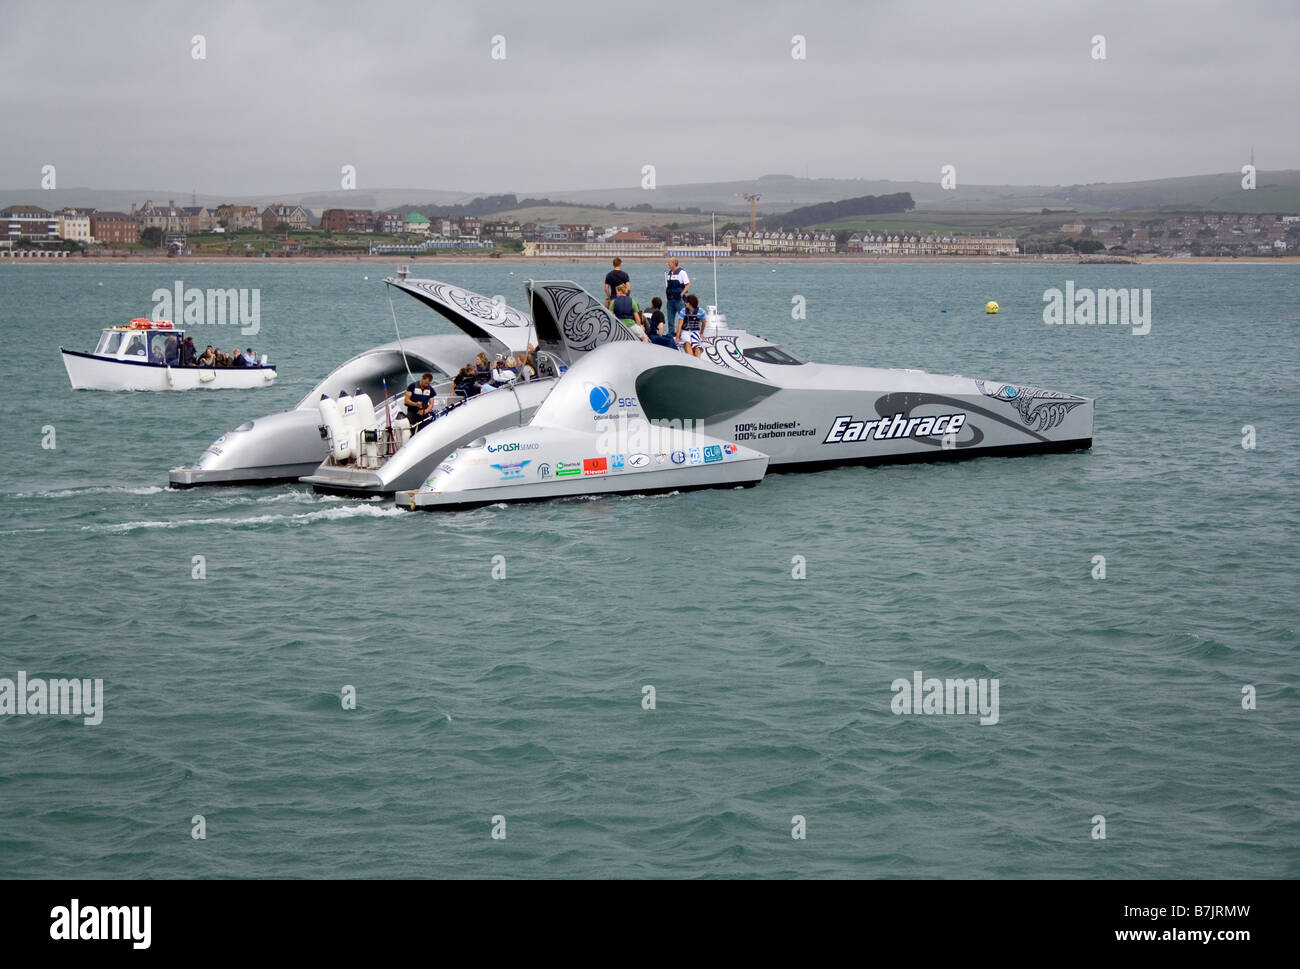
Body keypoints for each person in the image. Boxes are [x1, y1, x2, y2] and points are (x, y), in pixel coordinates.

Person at [675, 293, 707, 357]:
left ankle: (696, 360)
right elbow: (680, 325)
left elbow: (704, 323)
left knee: (696, 346)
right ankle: (691, 358)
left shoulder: (701, 311)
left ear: (689, 303)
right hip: (685, 331)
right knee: (687, 343)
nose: (685, 303)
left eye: (686, 302)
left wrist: (701, 333)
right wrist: (677, 337)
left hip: (695, 331)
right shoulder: (683, 311)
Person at [664, 258, 690, 330]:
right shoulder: (669, 273)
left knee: (682, 317)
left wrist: (681, 294)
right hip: (670, 299)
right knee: (670, 318)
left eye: (669, 262)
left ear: (674, 263)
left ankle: (683, 331)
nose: (668, 264)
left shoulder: (682, 272)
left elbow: (687, 285)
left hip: (679, 299)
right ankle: (671, 333)